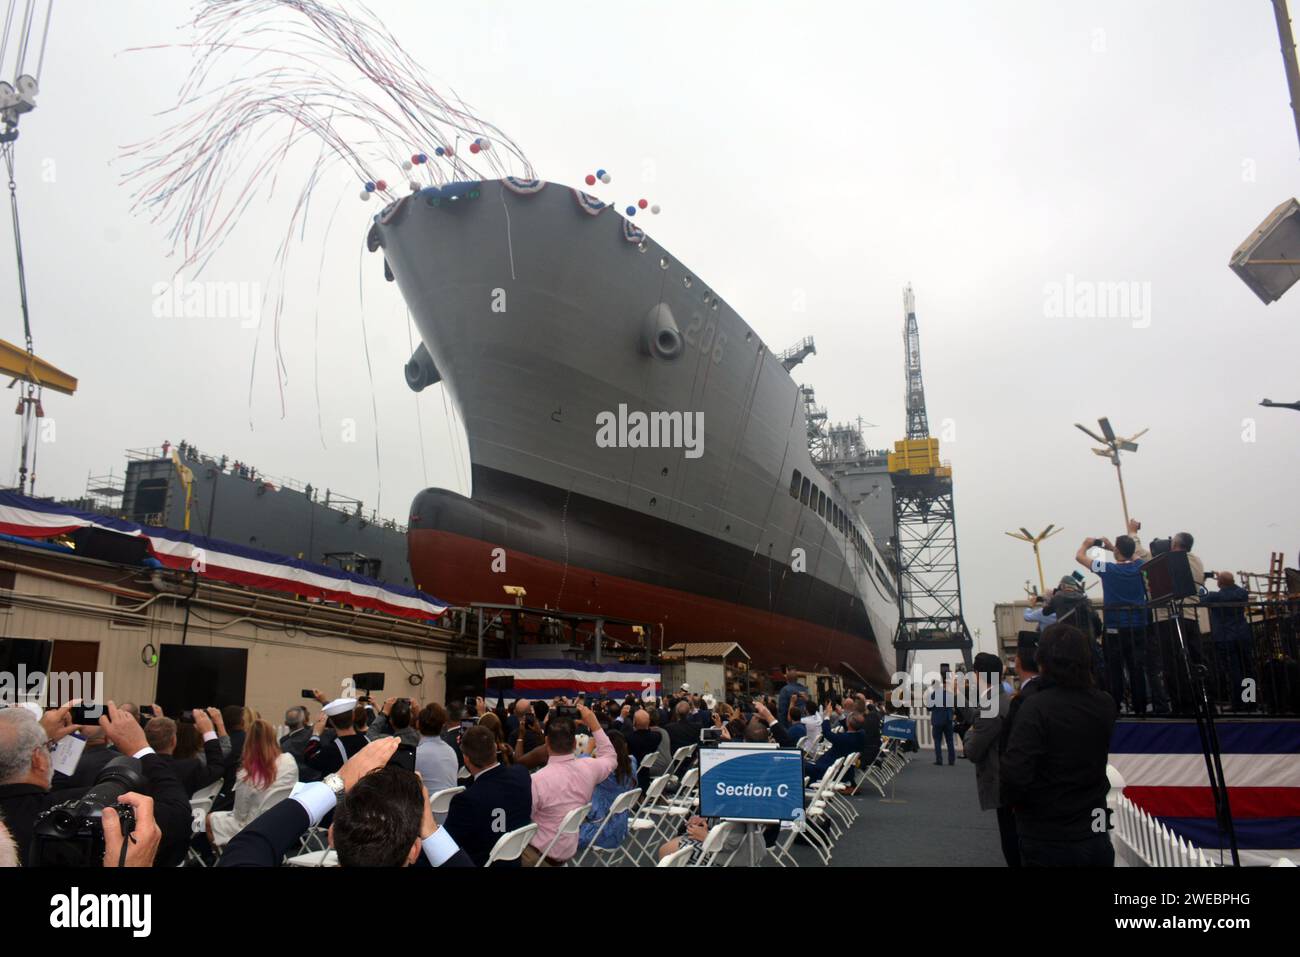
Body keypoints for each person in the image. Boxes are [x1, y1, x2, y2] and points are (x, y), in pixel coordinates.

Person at [219, 737, 473, 867]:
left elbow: (250, 844)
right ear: (414, 851)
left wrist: (338, 782)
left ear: (331, 836)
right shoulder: (420, 845)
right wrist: (429, 828)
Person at [0, 702, 191, 867]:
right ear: (38, 760)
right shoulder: (76, 811)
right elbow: (178, 813)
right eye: (47, 748)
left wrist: (38, 738)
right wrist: (140, 748)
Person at [1000, 624, 1118, 867]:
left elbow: (1014, 775)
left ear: (1042, 660)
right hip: (1094, 830)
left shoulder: (1035, 707)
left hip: (1047, 836)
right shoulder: (1105, 704)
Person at [1078, 527, 1160, 713]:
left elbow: (1080, 557)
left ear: (1116, 551)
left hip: (1115, 627)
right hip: (1138, 626)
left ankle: (1115, 706)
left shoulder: (1108, 568)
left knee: (1114, 669)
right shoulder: (1141, 566)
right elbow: (1131, 555)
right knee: (1137, 668)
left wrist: (1086, 544)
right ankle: (1140, 707)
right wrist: (1113, 548)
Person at [523, 705, 616, 866]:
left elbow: (522, 820)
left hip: (538, 858)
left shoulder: (536, 781)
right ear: (574, 743)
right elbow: (610, 757)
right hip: (565, 852)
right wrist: (594, 724)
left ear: (547, 743)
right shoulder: (589, 768)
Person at [442, 725, 532, 866]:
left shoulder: (466, 800)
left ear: (466, 759)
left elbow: (446, 846)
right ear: (495, 748)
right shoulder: (522, 775)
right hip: (514, 860)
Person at [961, 652, 1018, 867]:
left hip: (1001, 782)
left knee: (1011, 844)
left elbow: (973, 751)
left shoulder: (990, 706)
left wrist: (969, 732)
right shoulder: (1004, 700)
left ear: (978, 675)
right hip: (1012, 780)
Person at [206, 718, 298, 848]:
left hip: (254, 826)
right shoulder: (289, 761)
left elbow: (240, 815)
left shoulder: (246, 774)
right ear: (273, 737)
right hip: (282, 823)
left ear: (248, 742)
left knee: (209, 819)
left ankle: (226, 857)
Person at [577, 729, 639, 852]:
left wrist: (589, 747)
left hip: (599, 830)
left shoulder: (604, 770)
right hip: (620, 827)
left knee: (555, 837)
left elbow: (577, 767)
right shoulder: (632, 762)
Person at [1201, 572, 1255, 711]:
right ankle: (1250, 702)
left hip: (1225, 638)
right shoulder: (1241, 593)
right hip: (1243, 636)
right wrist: (1227, 580)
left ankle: (1238, 704)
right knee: (1248, 670)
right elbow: (1236, 589)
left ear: (1220, 583)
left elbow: (1200, 596)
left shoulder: (1215, 596)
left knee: (1233, 672)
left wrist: (1202, 579)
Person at [145, 714, 224, 797]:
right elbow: (217, 767)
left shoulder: (136, 765)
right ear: (173, 741)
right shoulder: (189, 768)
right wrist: (208, 732)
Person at [414, 703, 459, 822]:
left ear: (418, 724)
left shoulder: (417, 755)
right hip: (451, 817)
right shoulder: (451, 751)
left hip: (425, 819)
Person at [304, 698, 367, 775]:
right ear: (353, 716)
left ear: (331, 722)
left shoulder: (331, 750)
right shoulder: (368, 741)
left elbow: (309, 758)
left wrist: (316, 733)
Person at [279, 705, 320, 783]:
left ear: (286, 723)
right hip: (316, 781)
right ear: (304, 720)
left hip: (294, 783)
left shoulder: (284, 744)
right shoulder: (313, 736)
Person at [929, 679, 956, 765]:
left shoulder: (934, 694)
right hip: (948, 719)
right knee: (950, 740)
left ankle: (939, 760)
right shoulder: (948, 693)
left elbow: (929, 707)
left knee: (937, 740)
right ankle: (951, 760)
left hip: (937, 720)